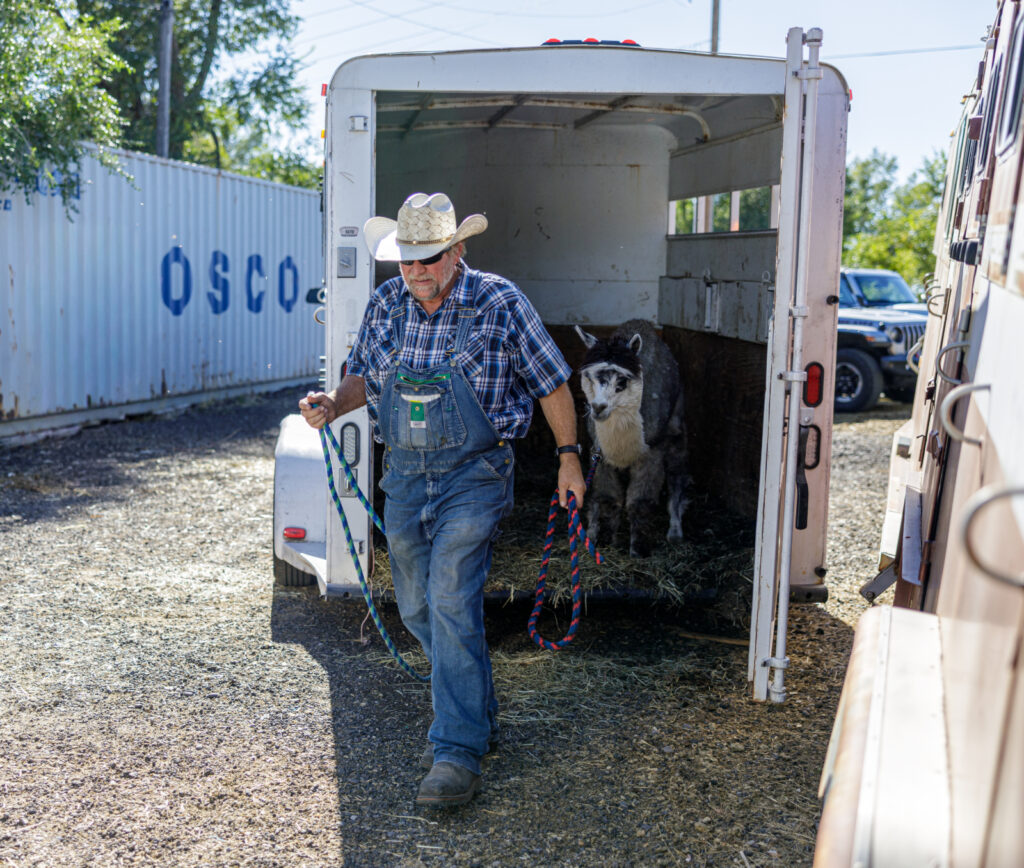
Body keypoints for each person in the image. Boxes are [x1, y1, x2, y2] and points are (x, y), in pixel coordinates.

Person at [299, 192, 585, 807]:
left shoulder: (499, 302)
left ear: (457, 251)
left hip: (474, 474)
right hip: (404, 476)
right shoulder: (386, 304)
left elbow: (552, 383)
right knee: (416, 607)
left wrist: (568, 457)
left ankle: (456, 750)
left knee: (451, 594)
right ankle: (475, 710)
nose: (416, 271)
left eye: (428, 258)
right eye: (406, 260)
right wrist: (332, 404)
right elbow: (362, 375)